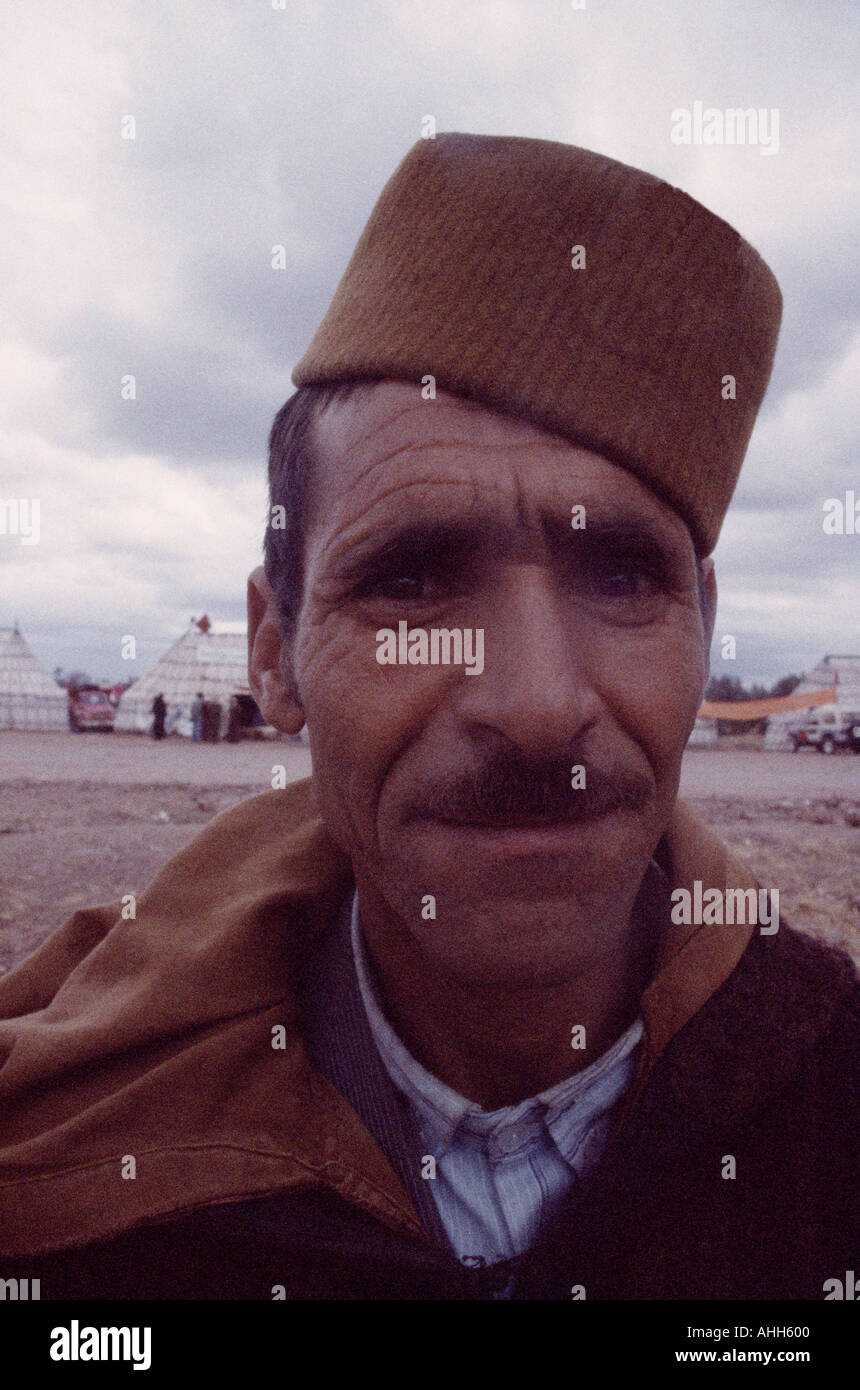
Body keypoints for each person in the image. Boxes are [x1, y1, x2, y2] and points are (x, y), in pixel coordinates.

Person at [0, 134, 856, 1301]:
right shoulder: (61, 1173)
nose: (540, 705)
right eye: (408, 580)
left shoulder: (830, 1103)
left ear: (701, 626)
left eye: (620, 576)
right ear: (274, 651)